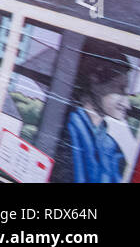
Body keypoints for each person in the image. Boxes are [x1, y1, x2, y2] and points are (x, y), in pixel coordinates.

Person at [52, 52, 132, 183]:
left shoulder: (112, 146)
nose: (127, 104)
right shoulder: (66, 130)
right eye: (120, 89)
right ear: (94, 82)